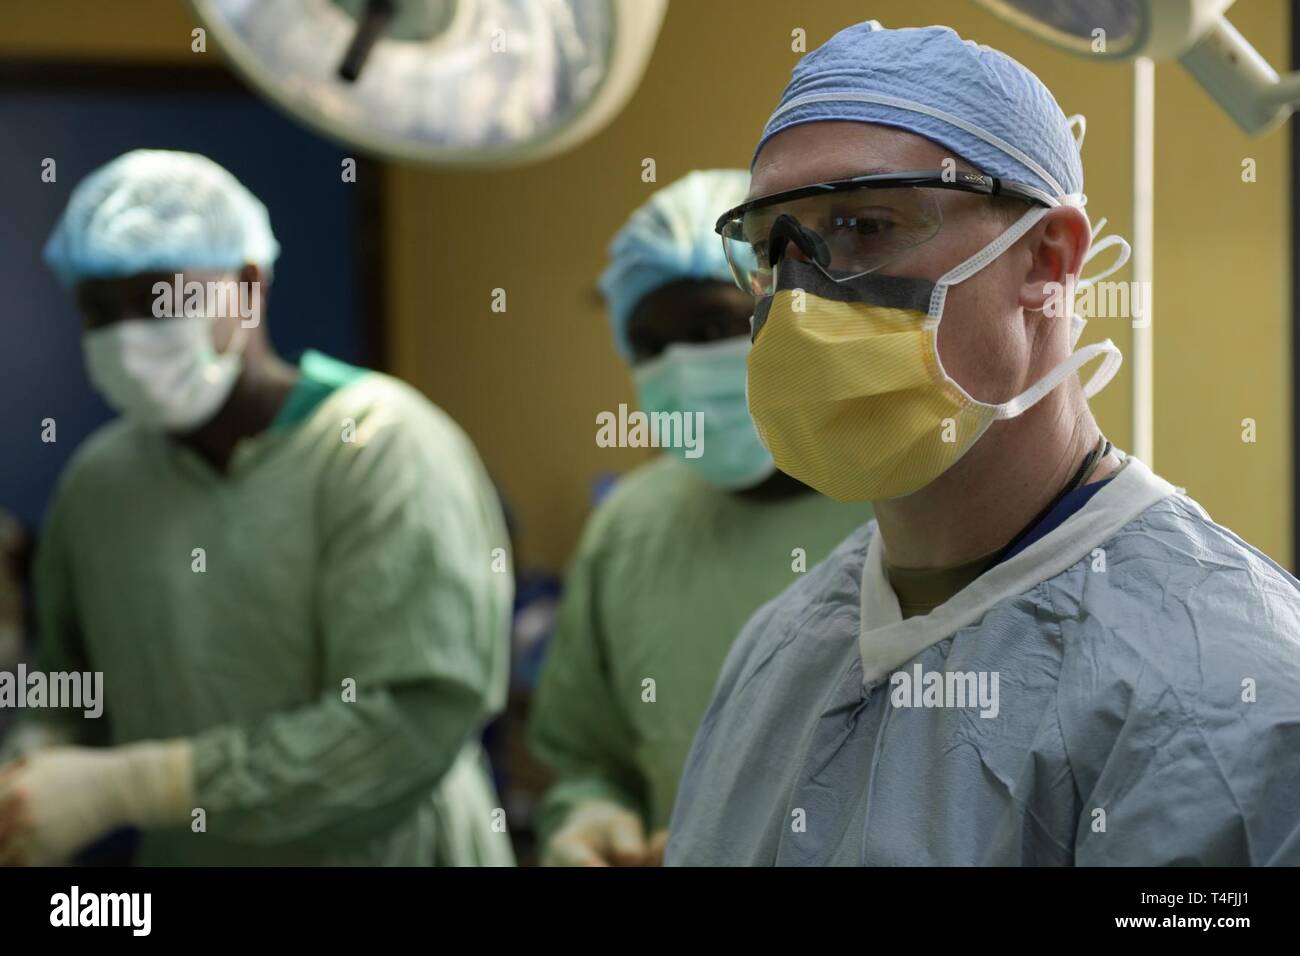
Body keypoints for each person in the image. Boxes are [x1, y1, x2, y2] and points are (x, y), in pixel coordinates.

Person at [667, 22, 1300, 865]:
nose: (800, 301)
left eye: (864, 224)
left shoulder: (1228, 687)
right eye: (771, 246)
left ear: (1048, 256)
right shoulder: (780, 646)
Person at [0, 150, 514, 866]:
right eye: (98, 311)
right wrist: (38, 751)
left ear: (246, 288)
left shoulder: (380, 450)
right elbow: (70, 680)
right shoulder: (100, 485)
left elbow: (408, 727)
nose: (127, 335)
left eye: (156, 299)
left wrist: (139, 786)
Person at [528, 170, 868, 866]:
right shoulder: (629, 529)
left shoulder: (910, 510)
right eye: (650, 344)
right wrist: (591, 817)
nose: (680, 367)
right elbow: (587, 755)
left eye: (713, 326)